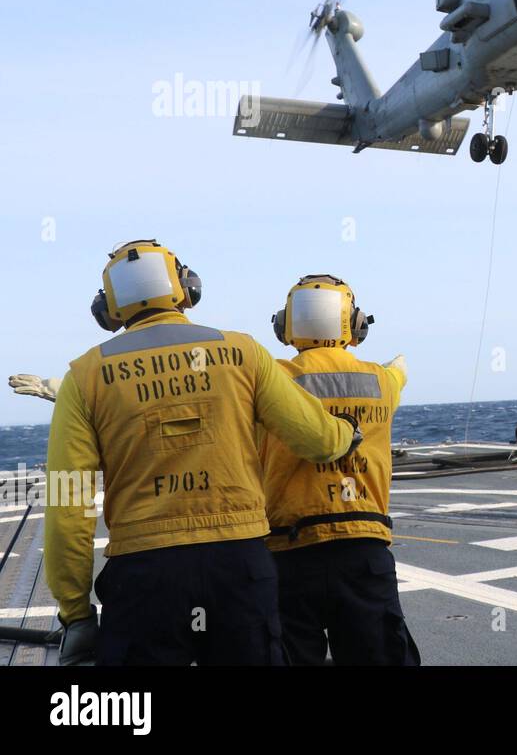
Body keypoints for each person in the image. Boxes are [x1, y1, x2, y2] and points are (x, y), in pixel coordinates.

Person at [44, 240, 359, 666]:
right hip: (239, 567)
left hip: (144, 577)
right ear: (187, 288)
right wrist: (348, 433)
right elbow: (316, 440)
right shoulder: (242, 352)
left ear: (108, 310)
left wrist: (76, 612)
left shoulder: (84, 378)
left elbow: (68, 500)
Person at [258, 274, 421, 665]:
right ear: (356, 325)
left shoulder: (272, 379)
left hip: (290, 550)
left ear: (286, 326)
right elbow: (399, 374)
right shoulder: (381, 381)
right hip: (363, 549)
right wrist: (397, 368)